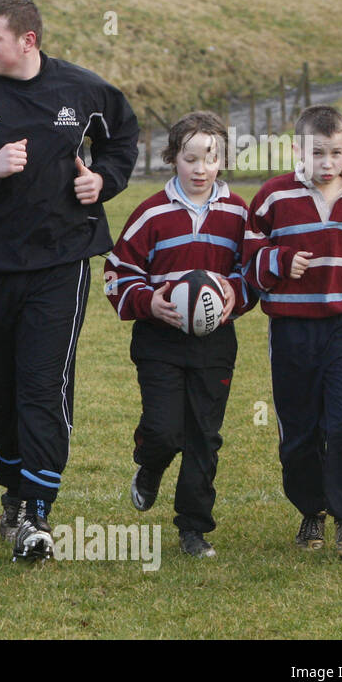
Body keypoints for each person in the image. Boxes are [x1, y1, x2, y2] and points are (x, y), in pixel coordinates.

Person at [0, 0, 138, 562]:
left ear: (27, 41)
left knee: (43, 383)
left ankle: (37, 510)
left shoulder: (82, 90)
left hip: (61, 263)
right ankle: (13, 490)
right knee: (3, 389)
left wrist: (104, 180)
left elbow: (122, 134)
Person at [103, 111, 253, 558]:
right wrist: (149, 302)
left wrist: (234, 294)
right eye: (190, 158)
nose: (201, 168)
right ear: (173, 158)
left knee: (204, 436)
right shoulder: (150, 213)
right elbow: (117, 275)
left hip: (214, 342)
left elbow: (253, 273)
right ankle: (150, 466)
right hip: (159, 341)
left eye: (211, 158)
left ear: (223, 159)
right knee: (165, 431)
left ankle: (193, 528)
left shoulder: (238, 213)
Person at [244, 105, 342, 560]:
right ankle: (311, 510)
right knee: (300, 430)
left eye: (337, 153)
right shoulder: (272, 197)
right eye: (318, 153)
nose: (328, 163)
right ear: (296, 150)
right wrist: (281, 261)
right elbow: (250, 256)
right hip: (291, 329)